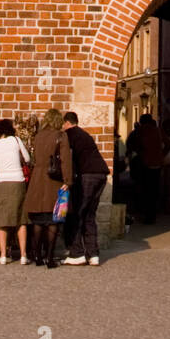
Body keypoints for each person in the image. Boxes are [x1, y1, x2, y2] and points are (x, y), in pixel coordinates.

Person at [24, 108, 72, 268]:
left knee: (38, 219)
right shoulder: (61, 136)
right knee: (53, 219)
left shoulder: (38, 136)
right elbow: (65, 160)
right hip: (53, 179)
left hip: (37, 178)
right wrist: (68, 180)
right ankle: (49, 258)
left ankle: (37, 256)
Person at [60, 111, 109, 266]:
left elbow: (68, 159)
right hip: (101, 174)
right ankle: (93, 254)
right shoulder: (84, 134)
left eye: (62, 124)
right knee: (89, 215)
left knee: (76, 214)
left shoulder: (69, 135)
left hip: (86, 175)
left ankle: (77, 253)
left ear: (67, 123)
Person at [0, 118, 30, 266]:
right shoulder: (16, 140)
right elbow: (27, 159)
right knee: (21, 219)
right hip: (18, 182)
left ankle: (3, 255)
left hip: (2, 183)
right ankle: (23, 255)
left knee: (2, 220)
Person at [133, 114, 165, 224]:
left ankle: (147, 215)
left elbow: (136, 145)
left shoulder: (141, 131)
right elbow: (168, 144)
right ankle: (153, 215)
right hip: (157, 164)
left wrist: (141, 154)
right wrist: (161, 155)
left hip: (145, 164)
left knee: (145, 190)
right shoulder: (158, 131)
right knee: (154, 190)